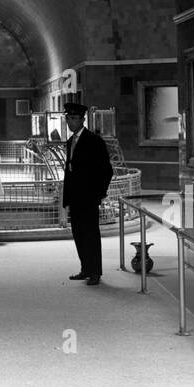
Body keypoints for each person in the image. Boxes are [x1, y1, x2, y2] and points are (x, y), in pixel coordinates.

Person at [61, 101, 112, 285]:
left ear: (82, 120)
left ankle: (95, 271)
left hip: (89, 197)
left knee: (90, 233)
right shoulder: (71, 141)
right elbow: (69, 171)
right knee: (78, 233)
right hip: (75, 197)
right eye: (68, 118)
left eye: (74, 118)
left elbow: (106, 171)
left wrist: (98, 194)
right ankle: (85, 268)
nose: (70, 122)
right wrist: (66, 197)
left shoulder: (94, 141)